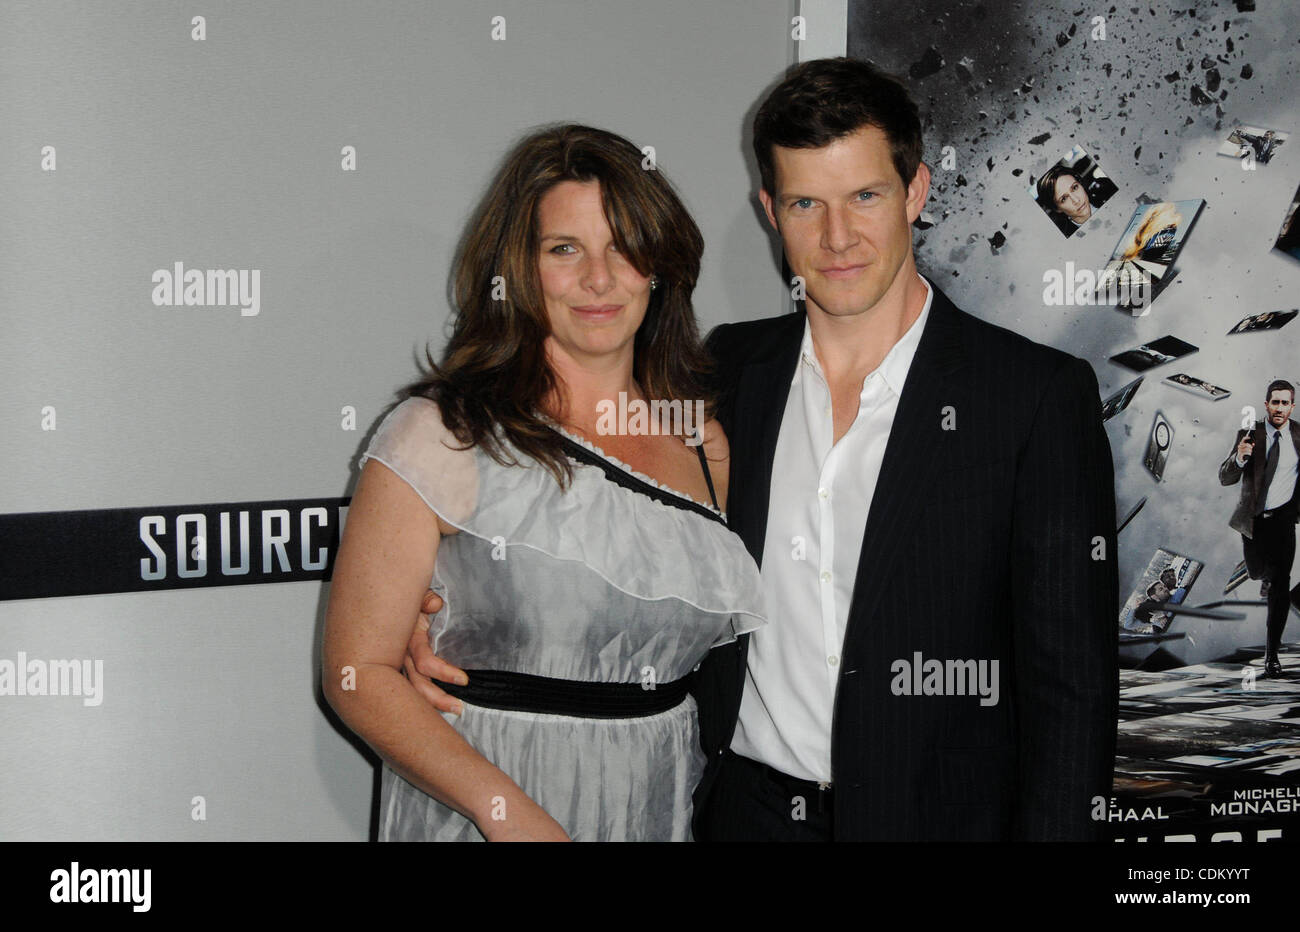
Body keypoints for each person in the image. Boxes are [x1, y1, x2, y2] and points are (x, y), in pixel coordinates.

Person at [411, 58, 1119, 842]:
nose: (837, 236)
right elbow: (586, 510)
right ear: (770, 212)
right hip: (742, 820)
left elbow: (1071, 690)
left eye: (866, 197)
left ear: (916, 192)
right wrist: (439, 611)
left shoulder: (1032, 396)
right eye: (805, 203)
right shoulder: (723, 378)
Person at [322, 124, 764, 842]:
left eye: (624, 249)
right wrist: (512, 818)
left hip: (651, 806)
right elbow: (359, 672)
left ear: (659, 266)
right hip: (485, 814)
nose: (599, 279)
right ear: (519, 271)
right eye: (566, 250)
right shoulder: (443, 432)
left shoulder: (704, 443)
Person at [1219, 379, 1300, 677]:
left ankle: (1271, 656)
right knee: (1255, 571)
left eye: (1285, 403)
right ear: (1266, 404)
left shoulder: (1299, 436)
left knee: (1280, 587)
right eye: (1274, 402)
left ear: (1292, 406)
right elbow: (1225, 478)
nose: (1279, 408)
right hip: (1253, 523)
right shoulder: (1249, 434)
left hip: (1283, 523)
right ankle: (1260, 574)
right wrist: (1239, 457)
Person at [1035, 164, 1116, 237]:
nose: (1076, 200)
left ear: (1080, 183)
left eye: (1075, 187)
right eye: (1064, 199)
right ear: (1057, 208)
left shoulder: (1107, 190)